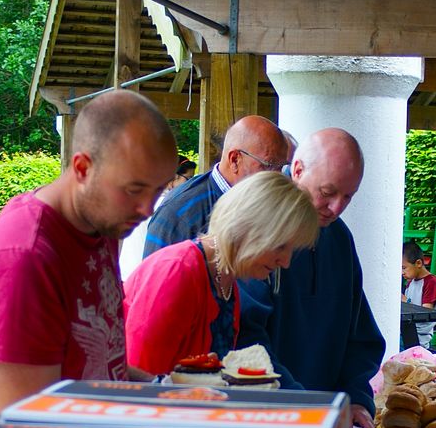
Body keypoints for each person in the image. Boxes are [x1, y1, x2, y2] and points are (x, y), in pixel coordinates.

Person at [0, 90, 178, 423]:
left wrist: (167, 388)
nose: (147, 209)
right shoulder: (20, 262)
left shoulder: (102, 228)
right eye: (133, 190)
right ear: (83, 168)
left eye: (158, 190)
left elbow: (96, 368)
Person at [237, 128, 385, 428]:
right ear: (298, 170)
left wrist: (355, 399)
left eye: (348, 197)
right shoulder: (261, 231)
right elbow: (246, 341)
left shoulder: (340, 239)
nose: (335, 208)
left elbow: (359, 338)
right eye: (327, 192)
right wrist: (307, 407)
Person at [123, 171, 318, 376]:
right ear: (248, 228)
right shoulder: (177, 271)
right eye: (280, 246)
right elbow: (140, 384)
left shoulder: (225, 280)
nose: (285, 262)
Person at [143, 115, 289, 256]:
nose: (277, 177)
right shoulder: (178, 212)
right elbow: (155, 278)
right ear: (235, 160)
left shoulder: (273, 207)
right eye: (269, 166)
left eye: (281, 167)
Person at [119, 156, 196, 280]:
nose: (190, 184)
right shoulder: (166, 205)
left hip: (128, 273)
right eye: (189, 179)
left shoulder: (145, 196)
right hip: (143, 276)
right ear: (174, 178)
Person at [401, 241, 436, 348]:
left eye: (404, 268)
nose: (402, 272)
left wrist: (407, 301)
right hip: (405, 329)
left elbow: (425, 313)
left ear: (418, 263)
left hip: (419, 337)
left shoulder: (432, 282)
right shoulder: (411, 282)